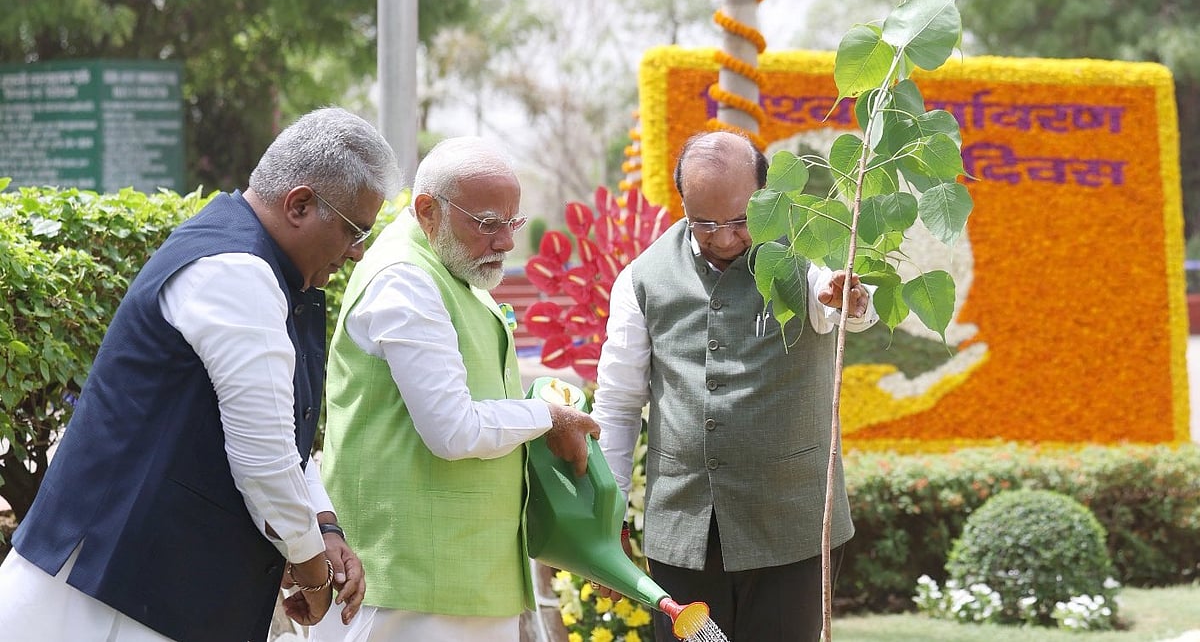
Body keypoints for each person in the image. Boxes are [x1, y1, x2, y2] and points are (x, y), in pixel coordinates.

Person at [0, 107, 402, 642]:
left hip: (146, 593)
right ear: (300, 203)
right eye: (355, 231)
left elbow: (281, 436)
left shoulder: (258, 264)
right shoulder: (237, 271)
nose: (357, 252)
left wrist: (322, 528)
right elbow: (263, 459)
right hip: (108, 601)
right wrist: (311, 566)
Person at [591, 130, 878, 642]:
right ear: (681, 203)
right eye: (705, 223)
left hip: (793, 529)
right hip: (682, 532)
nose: (724, 238)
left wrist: (847, 298)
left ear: (764, 196)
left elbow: (839, 300)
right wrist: (607, 516)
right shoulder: (641, 279)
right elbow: (616, 405)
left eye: (741, 220)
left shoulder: (805, 254)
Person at [311, 136, 600, 642]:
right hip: (402, 590)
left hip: (458, 583)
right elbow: (453, 429)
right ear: (428, 211)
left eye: (511, 223)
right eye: (487, 224)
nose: (507, 242)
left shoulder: (449, 266)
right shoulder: (405, 279)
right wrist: (547, 419)